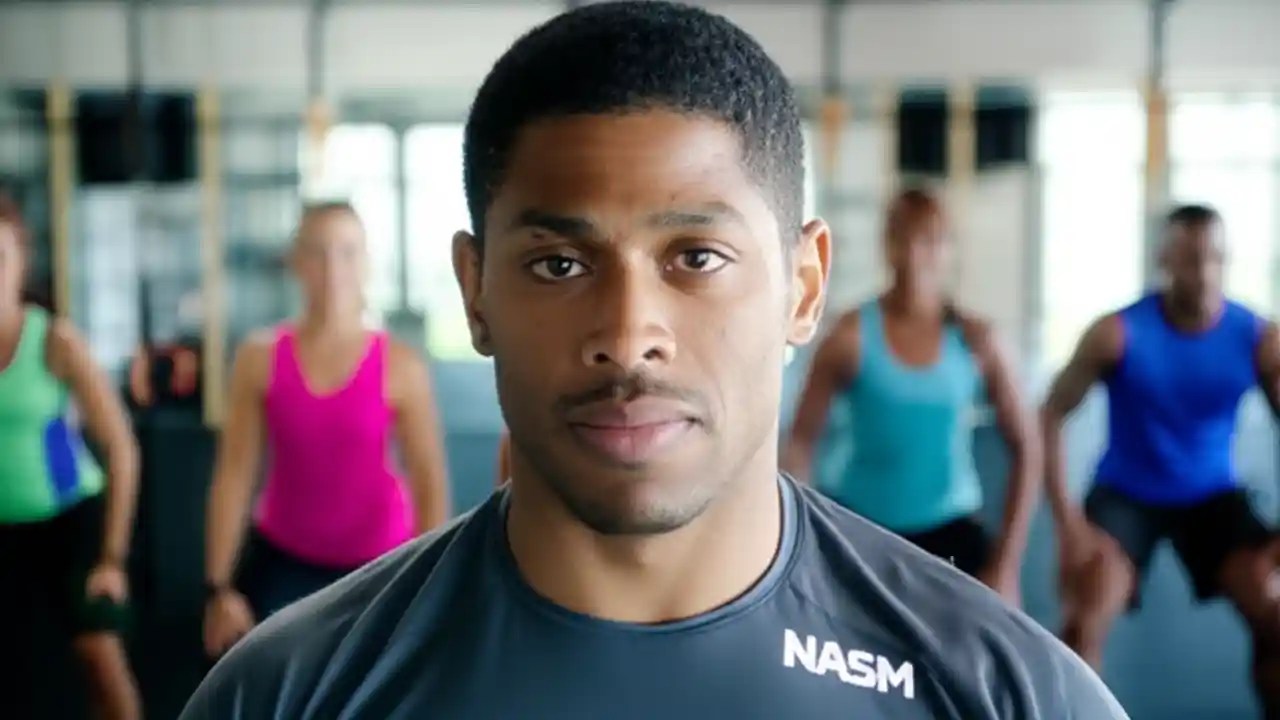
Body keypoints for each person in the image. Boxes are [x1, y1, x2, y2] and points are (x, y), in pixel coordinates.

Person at [182, 4, 1126, 718]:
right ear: (475, 292)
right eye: (560, 263)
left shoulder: (1005, 691)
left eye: (696, 258)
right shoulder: (285, 692)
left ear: (802, 288)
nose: (629, 333)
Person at [1042, 204, 1280, 713]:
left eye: (1214, 259)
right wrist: (1069, 529)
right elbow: (1050, 414)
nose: (1203, 272)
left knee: (1273, 607)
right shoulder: (1117, 334)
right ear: (1164, 261)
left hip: (1212, 494)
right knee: (1084, 616)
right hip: (1128, 493)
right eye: (1190, 259)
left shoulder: (1258, 339)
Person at [201, 201, 451, 659]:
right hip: (284, 561)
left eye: (347, 252)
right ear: (296, 263)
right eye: (317, 252)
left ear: (366, 263)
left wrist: (426, 584)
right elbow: (235, 475)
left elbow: (430, 482)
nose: (333, 267)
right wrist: (219, 587)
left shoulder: (400, 365)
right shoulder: (259, 357)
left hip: (381, 563)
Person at [783, 188, 1037, 606]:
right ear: (888, 244)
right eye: (904, 237)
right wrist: (801, 540)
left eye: (930, 240)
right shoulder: (850, 336)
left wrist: (1006, 563)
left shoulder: (977, 341)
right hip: (860, 528)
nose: (917, 254)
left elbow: (1027, 446)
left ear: (948, 249)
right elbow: (800, 441)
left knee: (988, 650)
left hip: (951, 530)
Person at [0, 193, 143, 719]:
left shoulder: (55, 341)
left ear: (20, 263)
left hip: (70, 523)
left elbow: (121, 448)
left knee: (100, 655)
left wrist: (111, 557)